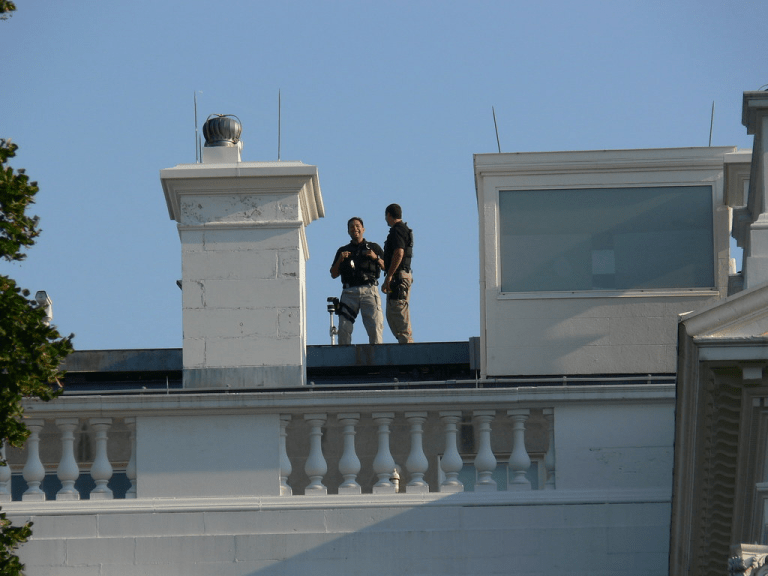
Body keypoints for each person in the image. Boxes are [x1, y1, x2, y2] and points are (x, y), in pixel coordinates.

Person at [330, 217, 385, 345]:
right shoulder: (342, 250)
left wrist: (375, 257)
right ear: (348, 231)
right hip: (349, 292)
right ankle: (344, 358)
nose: (355, 229)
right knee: (344, 328)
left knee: (375, 326)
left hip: (369, 290)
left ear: (363, 229)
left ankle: (377, 358)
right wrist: (340, 260)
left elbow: (386, 266)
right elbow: (333, 274)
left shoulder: (373, 247)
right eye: (352, 227)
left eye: (357, 226)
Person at [382, 203, 413, 344]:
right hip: (402, 275)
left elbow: (399, 252)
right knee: (393, 312)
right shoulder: (404, 229)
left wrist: (389, 275)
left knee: (398, 311)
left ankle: (407, 344)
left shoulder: (397, 230)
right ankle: (404, 341)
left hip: (398, 277)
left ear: (389, 215)